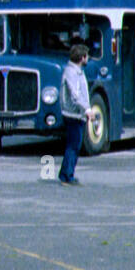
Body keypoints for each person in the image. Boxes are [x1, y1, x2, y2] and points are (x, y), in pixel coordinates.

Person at [58, 43, 91, 185]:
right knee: (74, 146)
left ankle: (65, 173)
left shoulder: (76, 71)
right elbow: (75, 95)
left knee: (73, 145)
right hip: (73, 114)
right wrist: (86, 109)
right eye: (87, 56)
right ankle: (67, 176)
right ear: (82, 57)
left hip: (76, 114)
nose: (88, 58)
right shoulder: (72, 72)